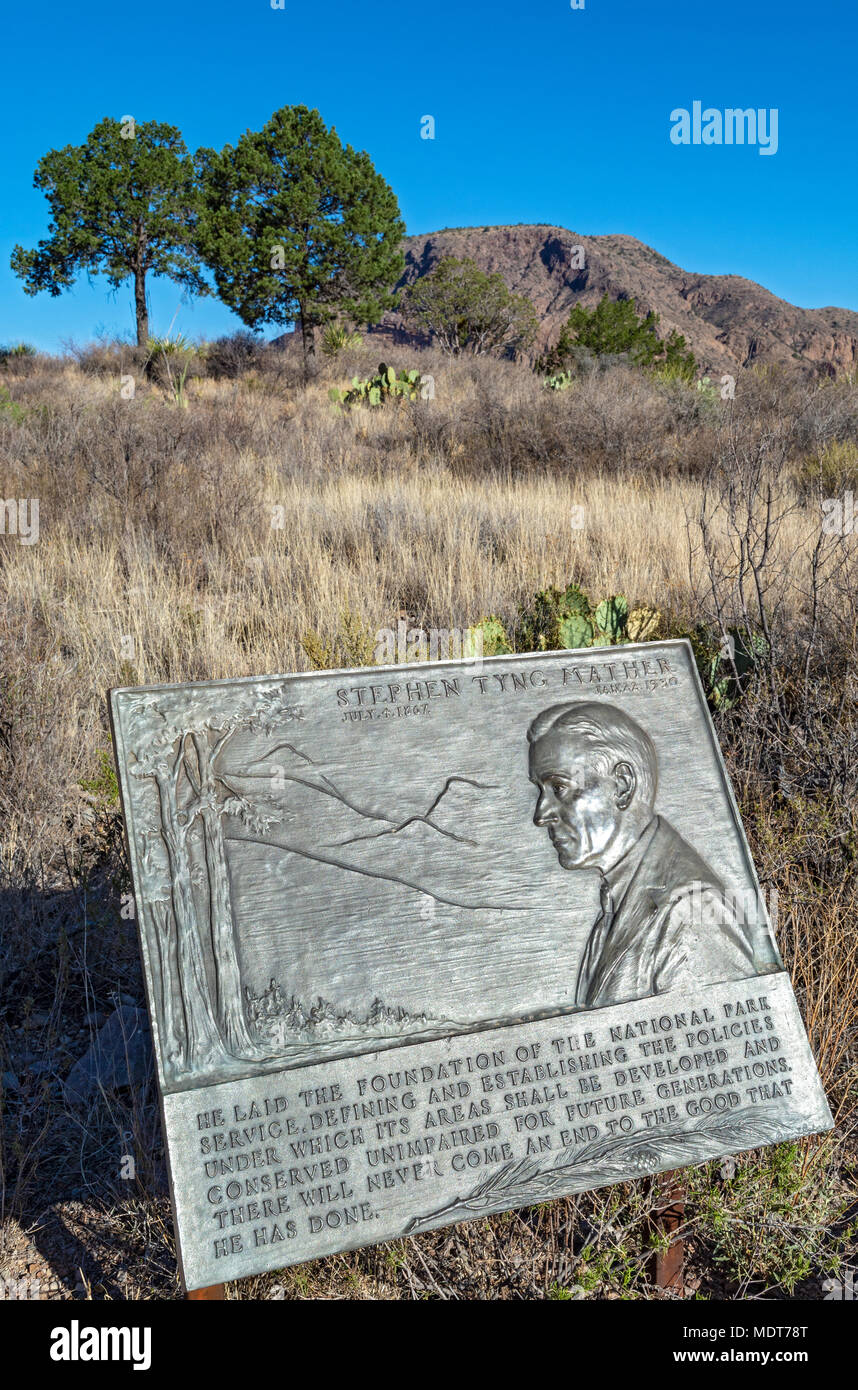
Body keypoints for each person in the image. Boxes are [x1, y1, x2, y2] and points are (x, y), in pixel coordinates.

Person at [527, 701, 754, 1008]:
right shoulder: (616, 900)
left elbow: (725, 1043)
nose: (541, 815)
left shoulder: (689, 910)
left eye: (558, 787)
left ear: (621, 785)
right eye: (541, 791)